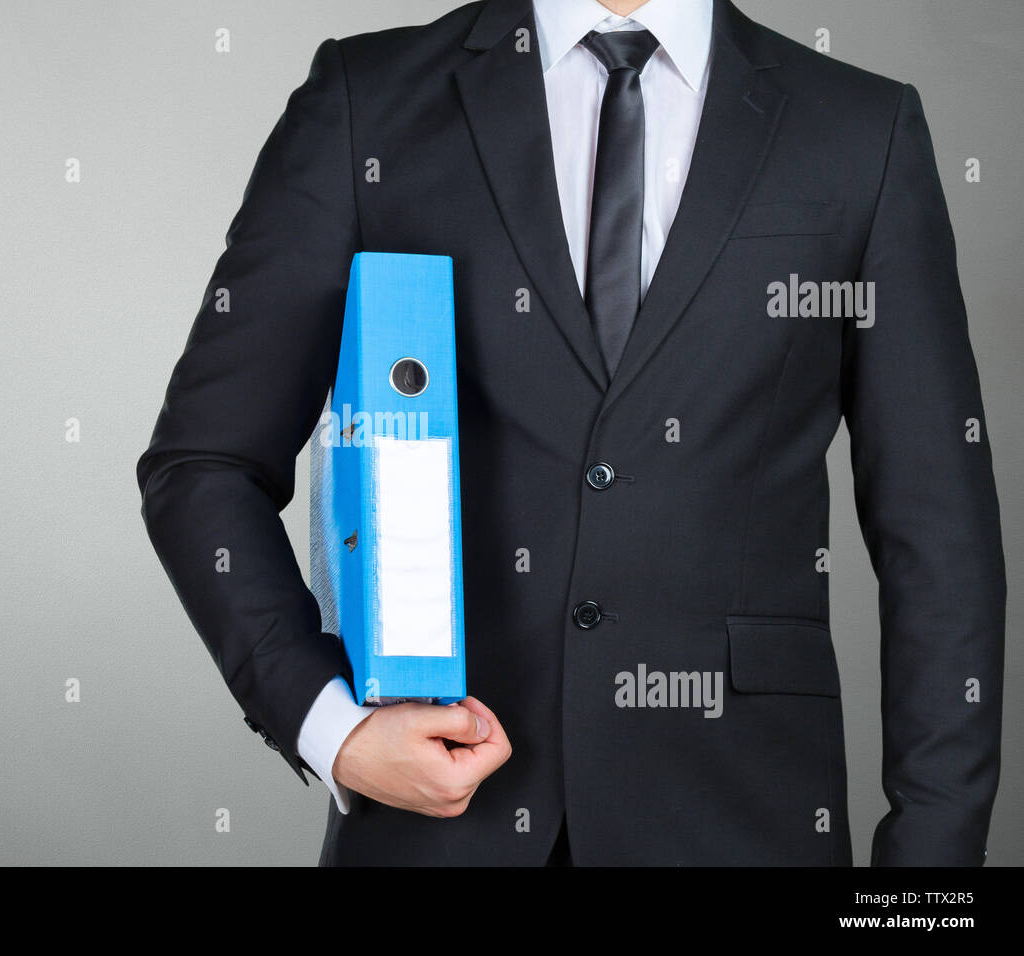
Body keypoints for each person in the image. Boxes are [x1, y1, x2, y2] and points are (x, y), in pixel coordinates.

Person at [136, 0, 1006, 866]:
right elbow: (205, 462)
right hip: (440, 831)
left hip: (743, 819)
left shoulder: (860, 129)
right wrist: (333, 730)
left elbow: (940, 542)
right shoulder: (369, 99)